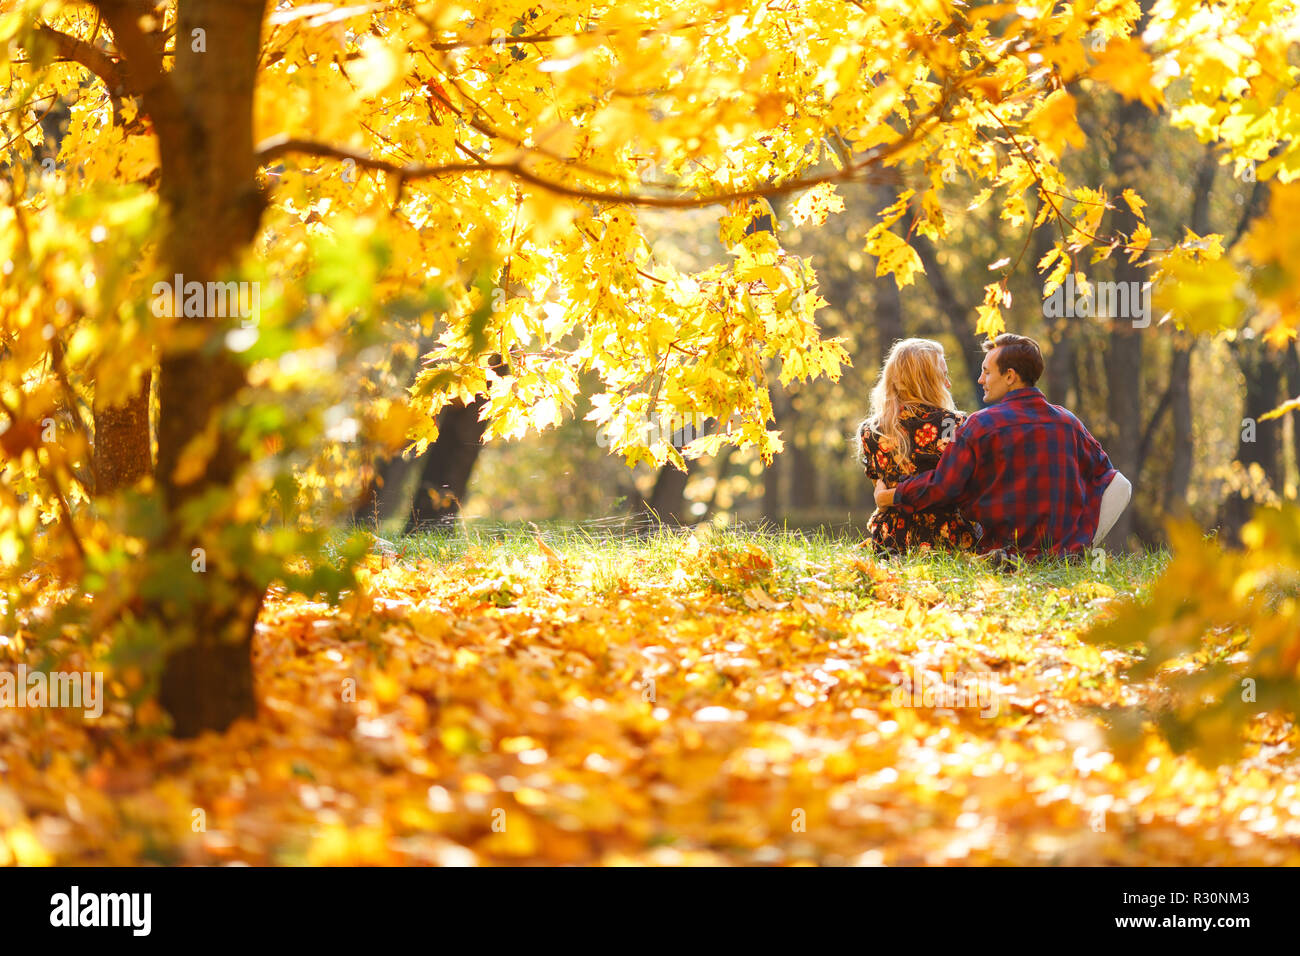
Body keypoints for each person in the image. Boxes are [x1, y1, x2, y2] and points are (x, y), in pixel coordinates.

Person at [874, 333, 1131, 561]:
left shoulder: (978, 426)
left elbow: (944, 487)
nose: (980, 378)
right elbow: (1114, 484)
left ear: (1010, 376)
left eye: (987, 371)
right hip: (1065, 555)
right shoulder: (1069, 423)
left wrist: (892, 495)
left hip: (1005, 556)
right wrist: (1083, 537)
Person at [857, 338, 981, 554]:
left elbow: (881, 494)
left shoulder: (871, 430)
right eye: (943, 375)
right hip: (947, 540)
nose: (948, 384)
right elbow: (956, 487)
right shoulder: (951, 423)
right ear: (926, 380)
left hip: (891, 542)